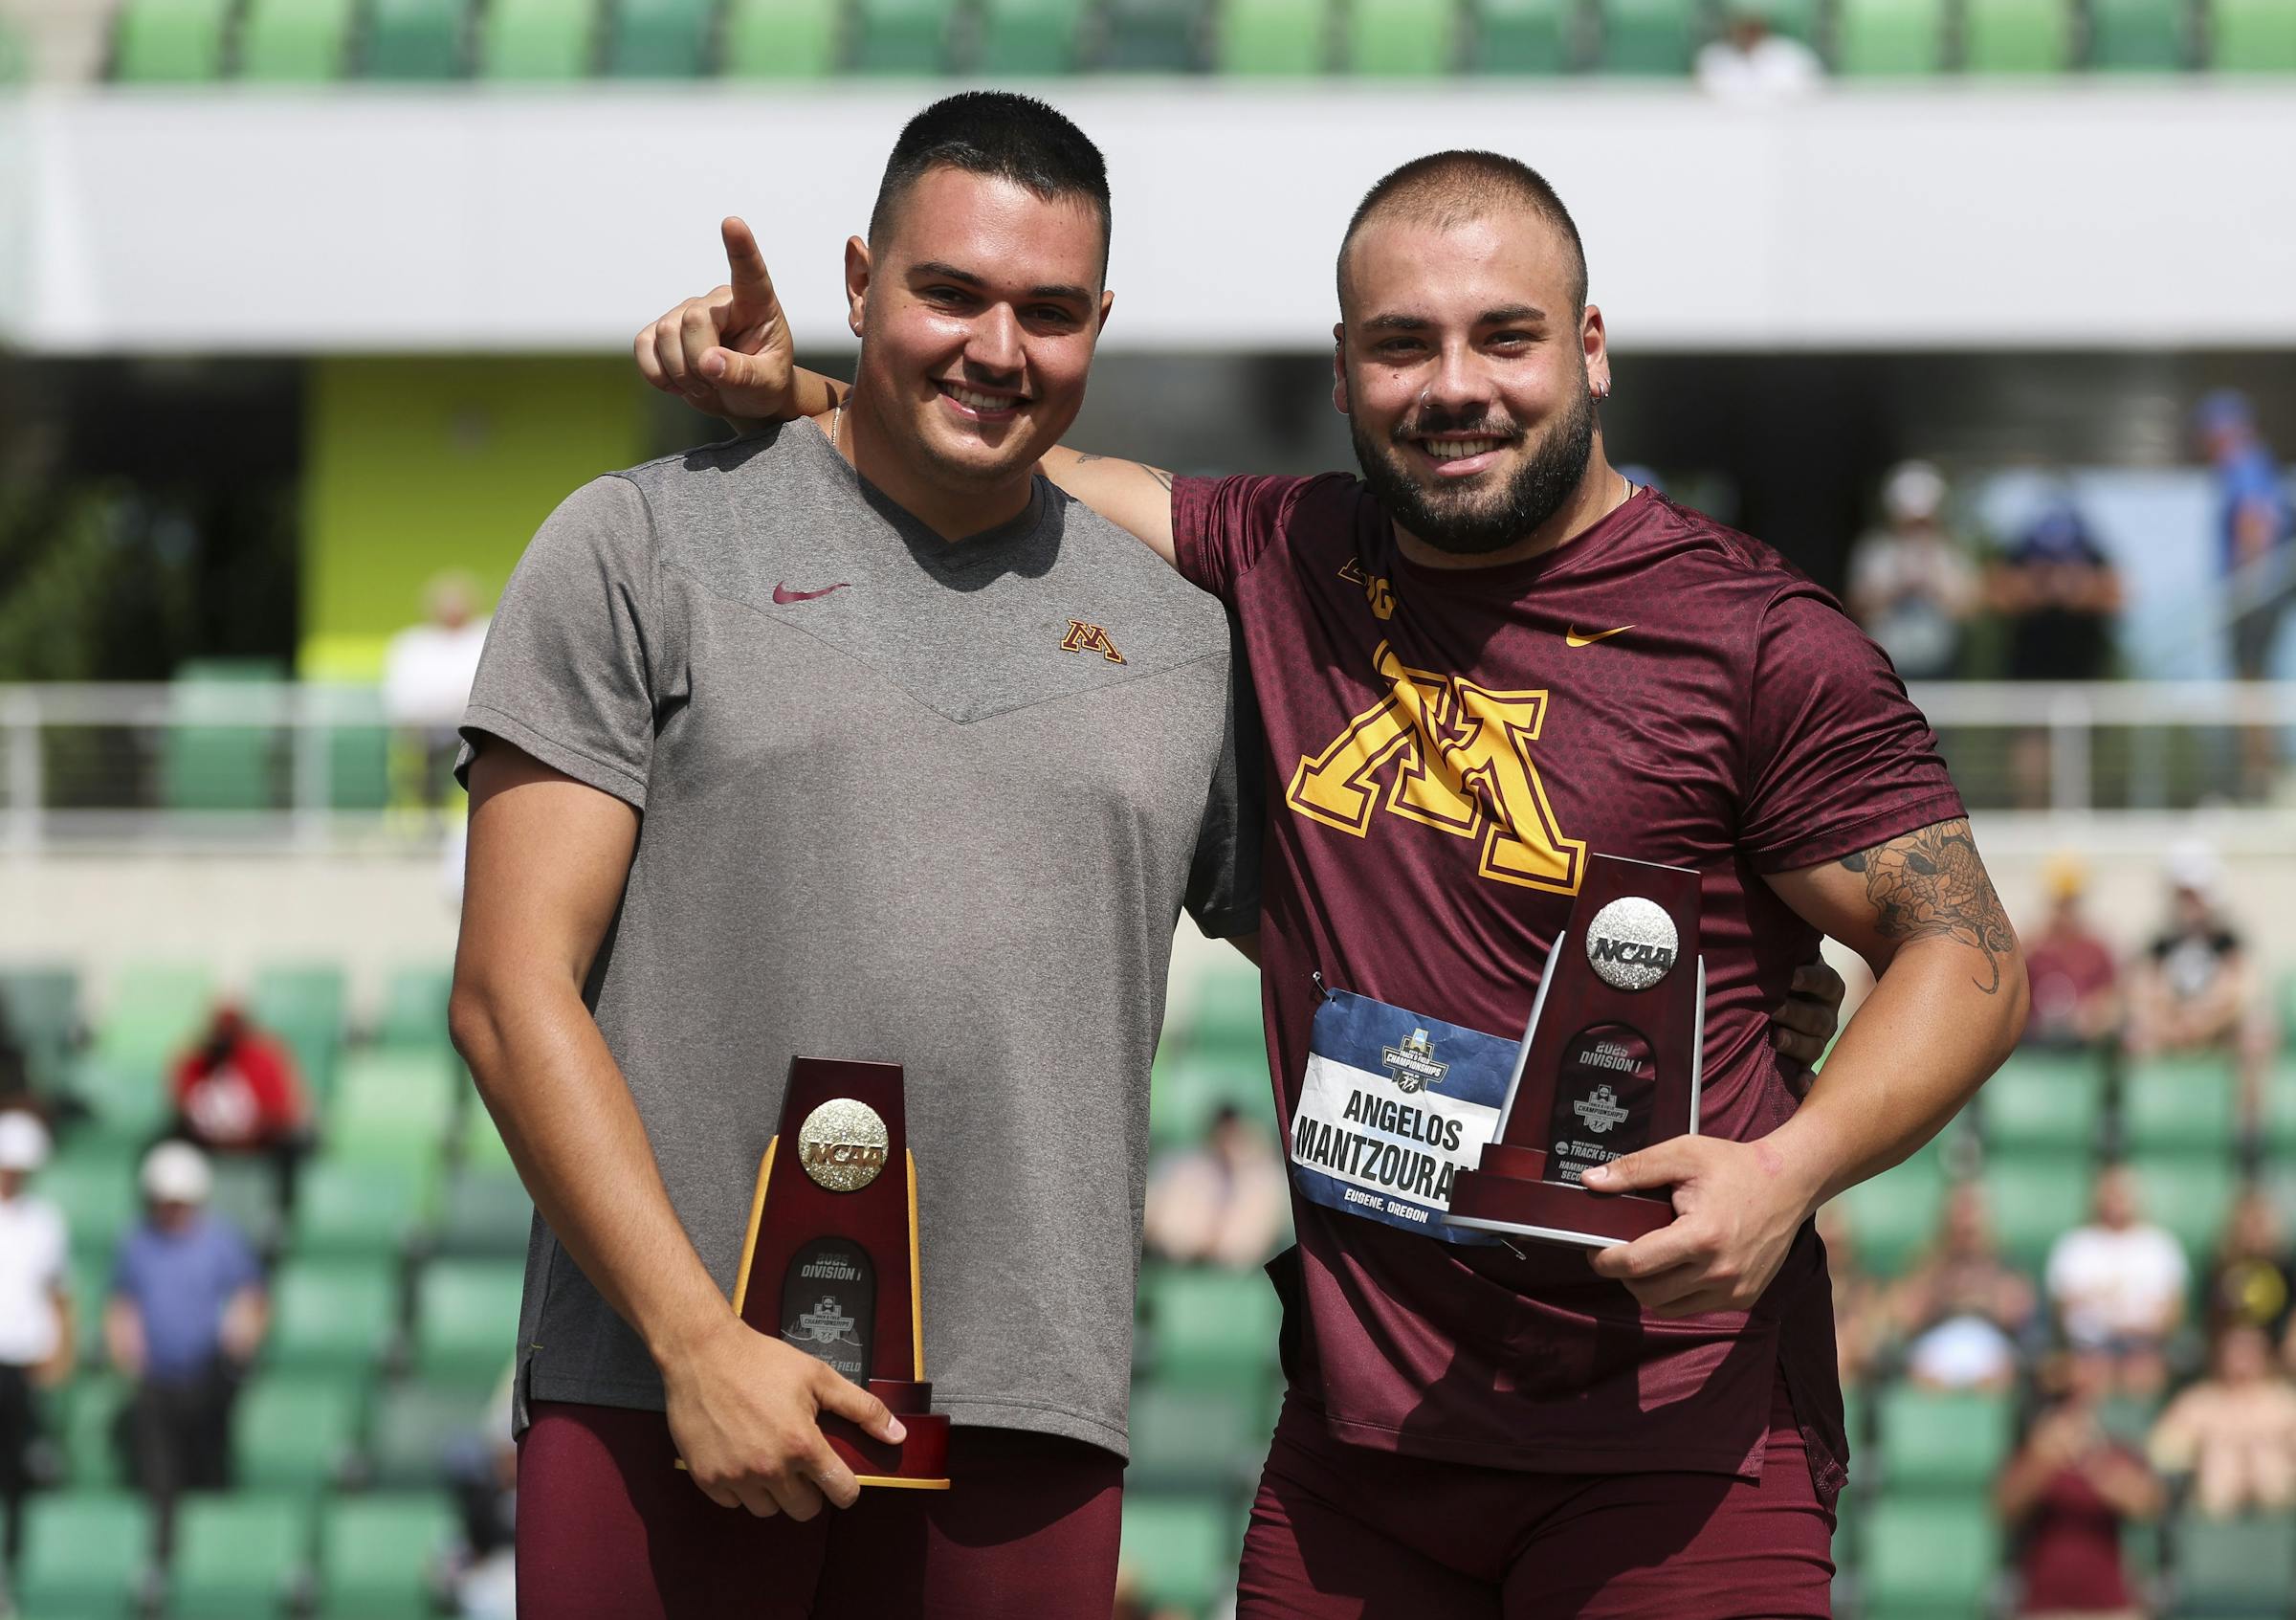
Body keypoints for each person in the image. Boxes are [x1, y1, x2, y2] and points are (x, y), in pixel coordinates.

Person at [649, 144, 2028, 1615]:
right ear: (1343, 367)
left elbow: (1968, 953)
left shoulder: (1754, 636)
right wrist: (803, 394)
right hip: (1358, 1461)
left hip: (1674, 1443)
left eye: (1505, 336)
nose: (1454, 386)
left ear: (1593, 349)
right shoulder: (1283, 553)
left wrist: (1784, 1172)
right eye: (1401, 344)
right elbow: (1022, 464)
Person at [451, 93, 1260, 1620]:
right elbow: (507, 990)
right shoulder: (636, 549)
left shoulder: (1182, 640)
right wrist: (696, 1343)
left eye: (1049, 310)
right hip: (665, 1394)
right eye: (950, 291)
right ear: (858, 278)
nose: (998, 348)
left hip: (1028, 1412)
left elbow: (1369, 938)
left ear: (1103, 323)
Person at [106, 1141, 267, 1547]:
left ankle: (215, 1553)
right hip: (156, 1381)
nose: (173, 1209)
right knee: (160, 1478)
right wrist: (127, 1350)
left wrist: (240, 1336)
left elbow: (251, 1297)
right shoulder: (137, 1243)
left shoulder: (220, 1241)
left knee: (209, 1470)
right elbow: (122, 1305)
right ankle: (163, 1557)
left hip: (208, 1378)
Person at [1998, 1347, 2163, 1620]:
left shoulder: (2118, 1450)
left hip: (2111, 1606)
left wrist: (2091, 1459)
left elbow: (2145, 1505)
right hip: (2043, 1606)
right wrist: (2044, 1457)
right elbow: (2006, 1507)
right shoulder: (2032, 1452)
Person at [1989, 497, 2121, 808]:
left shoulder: (2094, 556)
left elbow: (2118, 593)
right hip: (2030, 677)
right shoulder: (2021, 556)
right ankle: (2030, 818)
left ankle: (2073, 821)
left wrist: (2074, 590)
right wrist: (2041, 589)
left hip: (2079, 680)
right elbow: (1993, 592)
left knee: (2074, 753)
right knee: (2031, 747)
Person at [2195, 390, 2293, 796]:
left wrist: (2244, 583)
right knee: (2253, 682)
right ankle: (2259, 774)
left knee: (2250, 683)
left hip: (2253, 593)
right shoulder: (2258, 464)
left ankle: (2258, 777)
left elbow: (2256, 522)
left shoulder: (2245, 464)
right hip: (2259, 591)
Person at [2122, 840, 2273, 1104]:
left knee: (2256, 1036)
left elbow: (2241, 991)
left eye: (2193, 894)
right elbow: (2142, 993)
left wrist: (2203, 1021)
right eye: (2183, 894)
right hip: (2170, 1030)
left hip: (2217, 1032)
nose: (2189, 903)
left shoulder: (2228, 941)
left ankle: (2248, 1131)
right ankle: (2144, 1123)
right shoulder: (2160, 943)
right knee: (2135, 1039)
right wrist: (2170, 1024)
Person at [0, 1111, 72, 1578]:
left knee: (16, 1467)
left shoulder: (45, 1221)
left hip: (21, 1361)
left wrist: (61, 1350)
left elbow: (59, 1294)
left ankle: (13, 1564)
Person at [2045, 1165, 2186, 1396]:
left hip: (2145, 1347)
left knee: (2143, 1374)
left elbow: (2174, 1311)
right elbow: (2062, 1308)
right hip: (2089, 1349)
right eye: (2110, 1194)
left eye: (2122, 1194)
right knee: (2087, 1374)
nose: (2116, 1201)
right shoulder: (2075, 1245)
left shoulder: (2159, 1245)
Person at [1889, 1183, 2038, 1392]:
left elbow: (2020, 1312)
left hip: (1989, 1343)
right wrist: (1941, 1293)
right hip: (1936, 1345)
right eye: (1958, 1225)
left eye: (1970, 1227)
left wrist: (1984, 1295)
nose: (1964, 1232)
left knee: (2002, 1373)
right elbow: (1903, 1315)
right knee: (1920, 1375)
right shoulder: (1928, 1263)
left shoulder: (2003, 1262)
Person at [166, 1003, 313, 1211]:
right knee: (166, 1143)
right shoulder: (196, 1062)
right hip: (207, 1141)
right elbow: (183, 1108)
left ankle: (285, 1213)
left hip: (260, 1140)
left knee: (297, 1144)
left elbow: (282, 1114)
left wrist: (247, 1130)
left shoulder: (264, 1058)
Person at [1845, 459, 1980, 681]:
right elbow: (1855, 606)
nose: (1918, 528)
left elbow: (1970, 608)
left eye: (1923, 521)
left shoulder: (1951, 553)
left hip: (1943, 667)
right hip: (1886, 665)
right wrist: (1897, 586)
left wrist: (1934, 582)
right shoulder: (1875, 551)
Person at [2148, 1321, 2296, 1519]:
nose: (2243, 1358)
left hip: (2280, 1518)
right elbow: (2164, 1453)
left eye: (2251, 1350)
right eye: (2236, 1350)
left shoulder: (2285, 1402)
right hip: (2215, 1519)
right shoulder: (2198, 1402)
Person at [383, 570, 493, 810]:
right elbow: (403, 697)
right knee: (423, 779)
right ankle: (428, 824)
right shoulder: (413, 644)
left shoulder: (485, 635)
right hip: (426, 733)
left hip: (474, 728)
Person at [1143, 1102, 1290, 1270]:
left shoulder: (1267, 1179)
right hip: (1174, 1262)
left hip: (1237, 1273)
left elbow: (1246, 1244)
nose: (1230, 1142)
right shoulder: (1183, 1166)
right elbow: (1160, 1228)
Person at [2020, 853, 2120, 1051]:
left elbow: (2114, 1003)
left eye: (2070, 903)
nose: (2065, 912)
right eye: (2060, 903)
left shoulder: (2096, 949)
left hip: (2081, 1049)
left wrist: (2095, 1016)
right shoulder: (2031, 948)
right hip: (2036, 1049)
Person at [2201, 1188, 2295, 1343]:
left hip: (2276, 1343)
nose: (2252, 1233)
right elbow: (2212, 1318)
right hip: (2234, 1344)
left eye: (2258, 1225)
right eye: (2247, 1225)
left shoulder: (2285, 1268)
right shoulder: (2222, 1268)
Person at [1694, 0, 1822, 100]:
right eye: (1743, 26)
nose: (1747, 33)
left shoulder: (1792, 54)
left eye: (1752, 27)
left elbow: (1811, 88)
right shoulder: (1713, 56)